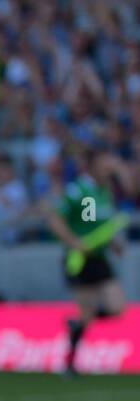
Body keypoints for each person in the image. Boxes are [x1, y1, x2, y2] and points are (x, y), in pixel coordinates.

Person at [47, 159, 128, 376]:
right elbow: (55, 219)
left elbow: (94, 224)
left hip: (99, 258)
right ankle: (70, 363)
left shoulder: (101, 192)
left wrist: (113, 243)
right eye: (104, 167)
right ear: (91, 168)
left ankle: (78, 323)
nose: (108, 170)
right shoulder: (77, 191)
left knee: (117, 306)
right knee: (87, 309)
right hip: (79, 259)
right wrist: (73, 241)